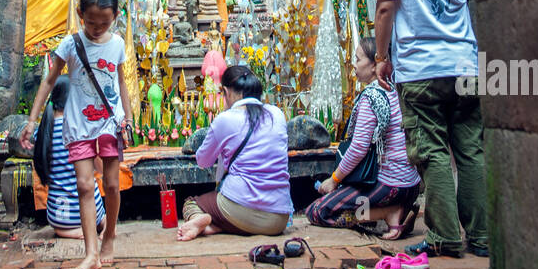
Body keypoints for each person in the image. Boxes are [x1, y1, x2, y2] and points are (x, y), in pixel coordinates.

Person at [370, 0, 487, 258]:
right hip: (465, 65)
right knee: (471, 151)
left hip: (420, 68)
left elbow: (386, 9)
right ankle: (482, 237)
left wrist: (382, 57)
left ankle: (446, 238)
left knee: (432, 152)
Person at [21, 0, 134, 269]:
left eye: (104, 23)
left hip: (110, 122)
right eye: (90, 22)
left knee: (111, 184)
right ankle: (91, 253)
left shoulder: (118, 44)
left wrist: (129, 118)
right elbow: (49, 81)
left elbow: (121, 82)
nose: (97, 28)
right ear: (79, 14)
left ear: (115, 16)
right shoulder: (69, 45)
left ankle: (108, 234)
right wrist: (31, 121)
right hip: (78, 124)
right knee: (84, 184)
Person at [305, 36, 420, 237]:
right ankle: (397, 208)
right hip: (411, 185)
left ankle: (388, 212)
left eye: (358, 59)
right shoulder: (397, 89)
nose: (354, 65)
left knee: (318, 212)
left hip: (390, 185)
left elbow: (358, 148)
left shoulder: (372, 96)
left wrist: (334, 179)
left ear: (376, 64)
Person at [177, 65, 291, 240]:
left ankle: (204, 220)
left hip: (240, 209)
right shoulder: (277, 114)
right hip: (279, 220)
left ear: (225, 91)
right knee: (230, 210)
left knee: (192, 203)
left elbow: (203, 161)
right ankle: (216, 226)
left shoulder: (225, 119)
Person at [32, 76, 106, 239]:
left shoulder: (43, 133)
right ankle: (99, 226)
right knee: (99, 206)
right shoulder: (80, 131)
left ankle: (67, 231)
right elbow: (101, 169)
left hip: (58, 217)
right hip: (91, 212)